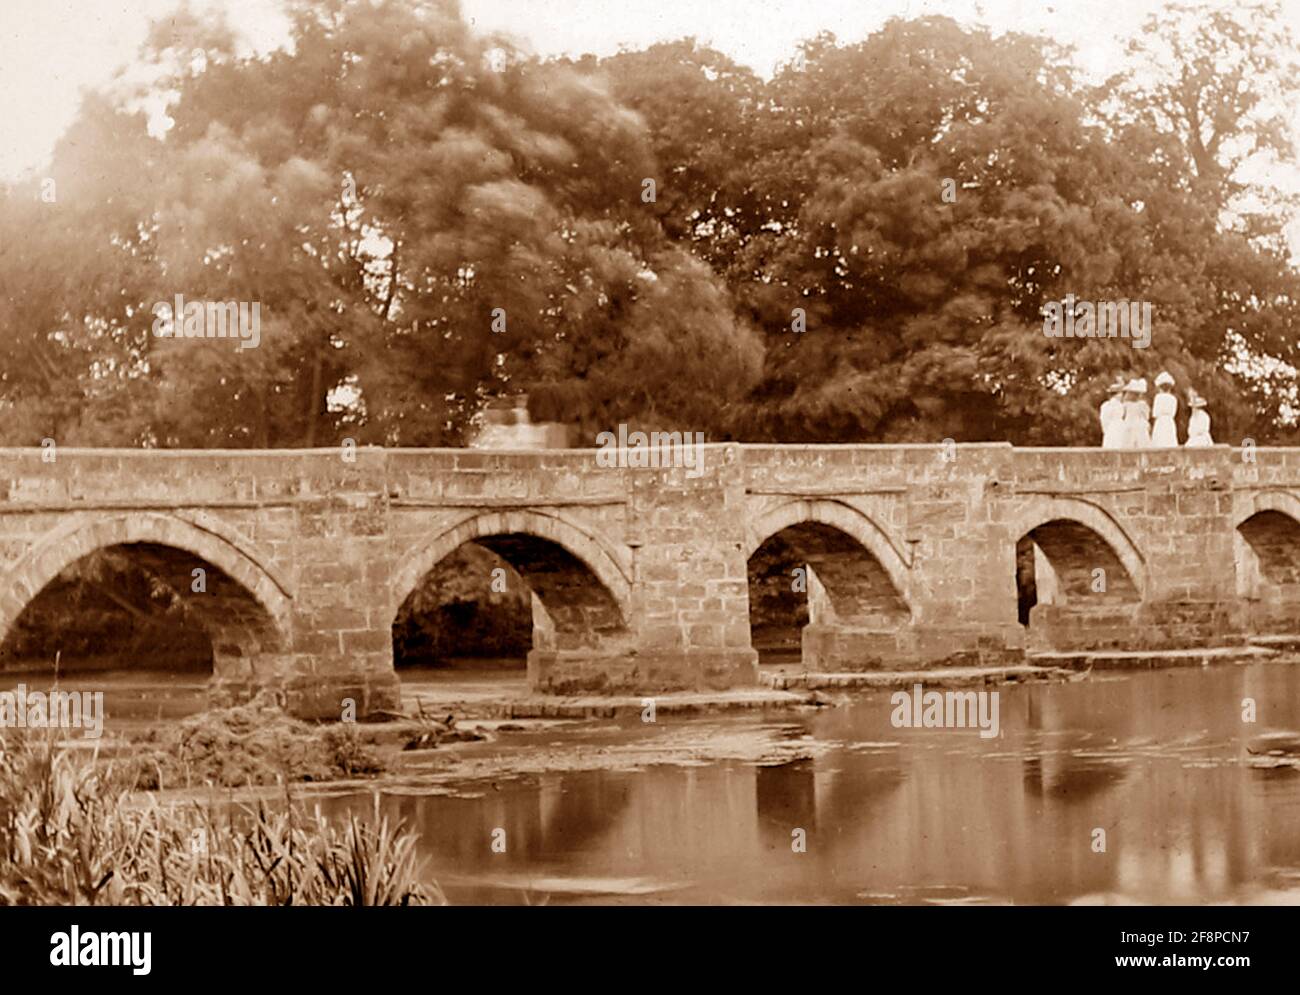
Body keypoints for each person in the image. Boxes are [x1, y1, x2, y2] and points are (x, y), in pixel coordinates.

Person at [1151, 371, 1179, 447]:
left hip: (1160, 421)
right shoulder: (1173, 399)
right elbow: (1173, 413)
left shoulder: (1158, 397)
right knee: (1169, 441)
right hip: (1169, 421)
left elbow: (1155, 413)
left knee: (1159, 441)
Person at [1122, 378, 1151, 448]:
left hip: (1130, 424)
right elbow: (1146, 417)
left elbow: (1123, 416)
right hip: (1139, 425)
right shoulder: (1143, 405)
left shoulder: (1126, 404)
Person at [1100, 378, 1127, 448]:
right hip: (1116, 427)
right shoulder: (1117, 405)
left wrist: (1106, 429)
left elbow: (1103, 419)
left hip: (1111, 428)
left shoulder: (1105, 405)